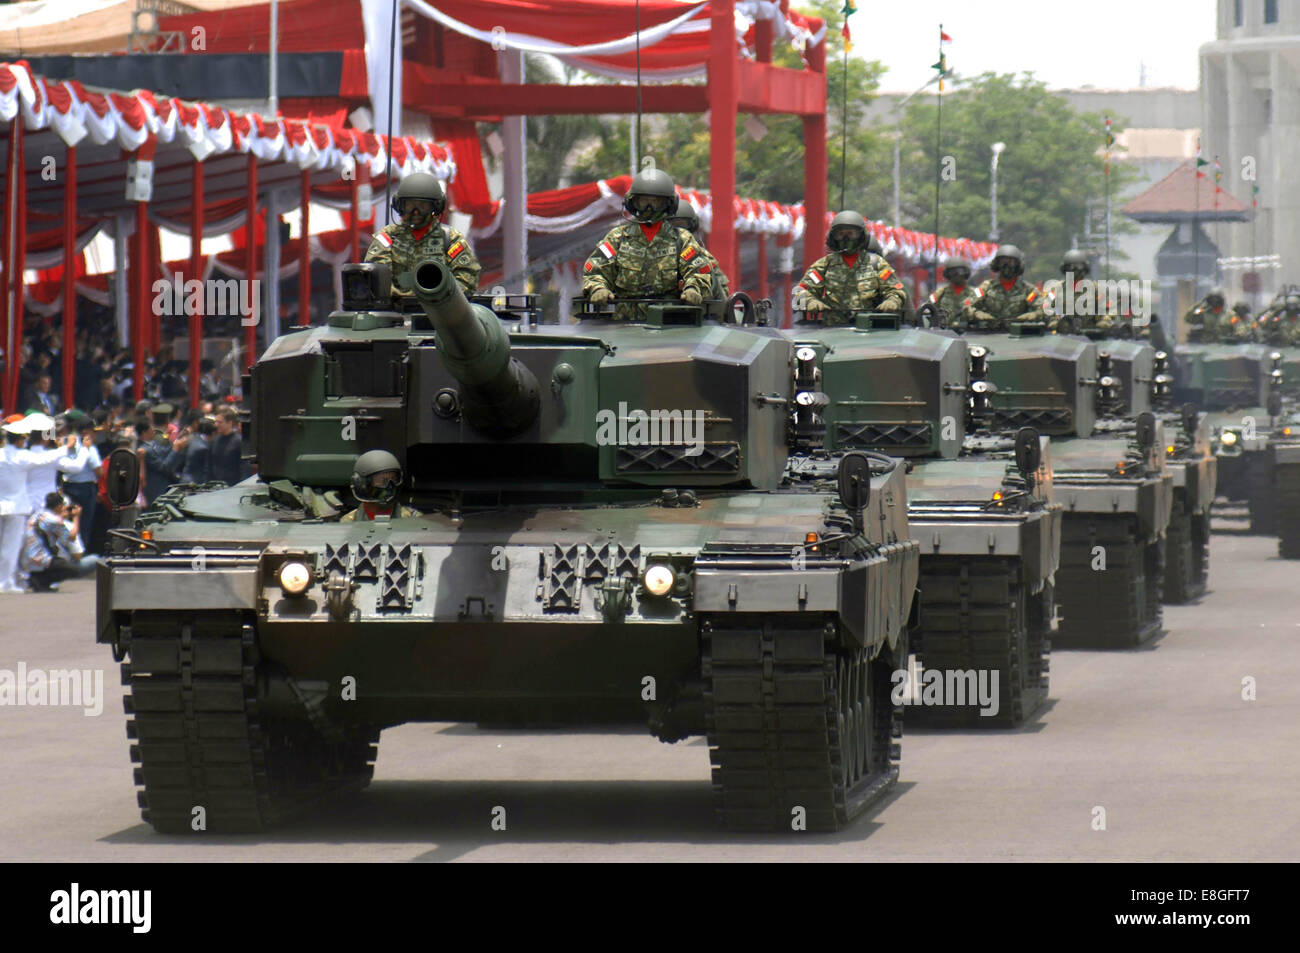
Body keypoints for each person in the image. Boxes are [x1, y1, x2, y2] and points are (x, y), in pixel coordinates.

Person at [582, 168, 713, 319]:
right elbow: (596, 269)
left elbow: (699, 270)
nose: (649, 208)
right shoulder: (617, 238)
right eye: (644, 201)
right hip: (624, 324)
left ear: (668, 204)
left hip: (670, 323)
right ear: (633, 202)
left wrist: (693, 288)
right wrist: (598, 288)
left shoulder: (681, 239)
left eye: (656, 202)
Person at [364, 173, 480, 300]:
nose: (416, 212)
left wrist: (442, 297)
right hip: (396, 311)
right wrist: (401, 296)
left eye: (423, 206)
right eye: (410, 205)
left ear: (436, 207)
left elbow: (467, 276)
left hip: (440, 312)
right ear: (400, 206)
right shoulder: (387, 238)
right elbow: (375, 275)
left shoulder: (450, 239)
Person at [794, 211, 905, 326]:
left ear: (861, 236)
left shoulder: (877, 265)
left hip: (869, 331)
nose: (846, 238)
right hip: (832, 330)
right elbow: (800, 291)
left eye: (851, 233)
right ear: (834, 237)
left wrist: (892, 301)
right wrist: (810, 301)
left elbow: (896, 290)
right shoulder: (824, 266)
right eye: (841, 234)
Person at [0, 419, 71, 594]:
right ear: (19, 440)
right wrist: (66, 447)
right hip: (16, 508)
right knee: (11, 546)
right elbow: (45, 458)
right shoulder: (22, 456)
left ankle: (9, 579)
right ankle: (5, 582)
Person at [21, 491, 99, 592]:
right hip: (42, 558)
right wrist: (76, 517)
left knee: (58, 561)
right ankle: (41, 580)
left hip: (28, 557)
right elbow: (71, 537)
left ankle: (38, 578)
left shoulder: (38, 514)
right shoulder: (54, 520)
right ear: (58, 506)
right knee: (74, 570)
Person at [968, 244, 1045, 331]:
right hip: (990, 334)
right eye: (1003, 262)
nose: (1006, 266)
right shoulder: (985, 288)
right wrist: (976, 313)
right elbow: (967, 305)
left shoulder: (1028, 290)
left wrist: (1035, 314)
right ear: (997, 264)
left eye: (1010, 262)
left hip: (1019, 336)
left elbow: (1044, 309)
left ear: (1018, 265)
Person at [667, 196, 729, 300]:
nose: (679, 231)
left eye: (682, 225)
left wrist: (695, 289)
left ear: (692, 225)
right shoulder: (657, 253)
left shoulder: (704, 257)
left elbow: (721, 291)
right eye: (673, 226)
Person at [340, 450, 421, 522]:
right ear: (363, 484)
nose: (390, 486)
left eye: (393, 479)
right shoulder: (349, 523)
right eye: (382, 480)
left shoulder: (413, 520)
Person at [61, 419, 103, 551]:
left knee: (68, 522)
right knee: (84, 524)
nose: (95, 435)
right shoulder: (90, 448)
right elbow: (99, 471)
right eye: (93, 431)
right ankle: (80, 553)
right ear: (85, 432)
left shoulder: (66, 443)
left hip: (68, 487)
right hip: (85, 489)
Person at [138, 418, 189, 504]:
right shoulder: (144, 450)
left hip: (163, 488)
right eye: (151, 430)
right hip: (155, 491)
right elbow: (164, 467)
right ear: (144, 433)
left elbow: (164, 451)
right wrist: (175, 450)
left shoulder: (153, 444)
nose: (154, 432)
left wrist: (178, 438)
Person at [923, 256, 979, 329]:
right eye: (953, 272)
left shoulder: (976, 293)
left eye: (959, 271)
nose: (956, 275)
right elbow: (927, 308)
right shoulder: (940, 293)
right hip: (946, 334)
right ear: (947, 274)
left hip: (971, 334)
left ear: (965, 272)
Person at [210, 406, 250, 485]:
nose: (216, 425)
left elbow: (244, 468)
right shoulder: (214, 441)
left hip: (232, 485)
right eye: (215, 422)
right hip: (216, 486)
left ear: (230, 423)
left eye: (220, 422)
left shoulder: (238, 442)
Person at [181, 417, 216, 484]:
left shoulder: (193, 439)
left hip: (185, 478)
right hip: (195, 482)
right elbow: (207, 470)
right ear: (213, 433)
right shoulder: (204, 448)